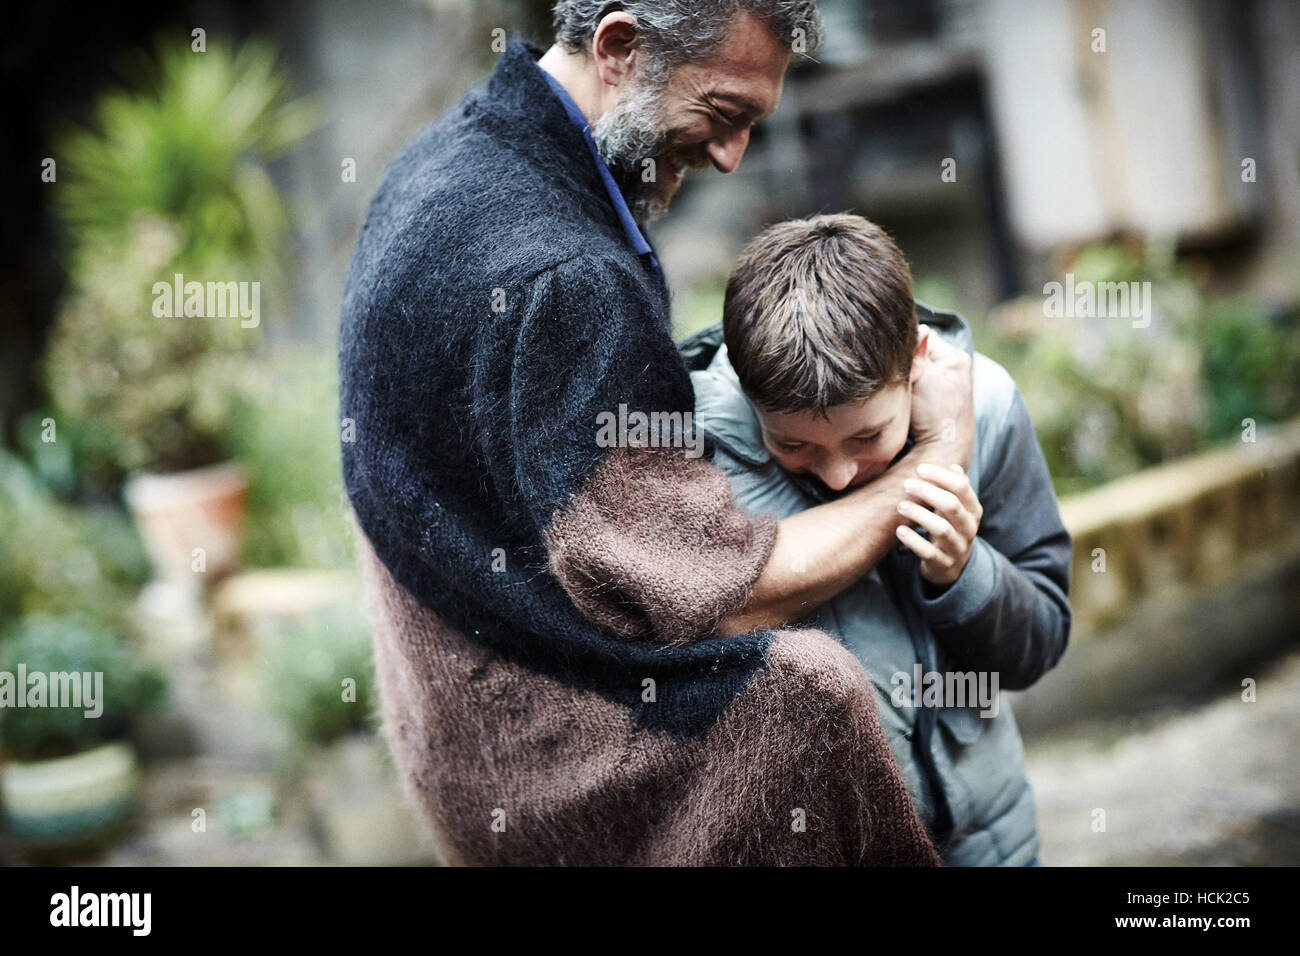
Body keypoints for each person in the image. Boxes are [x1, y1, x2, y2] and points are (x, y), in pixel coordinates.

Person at [339, 1, 974, 864]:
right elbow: (710, 597)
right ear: (620, 47)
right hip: (531, 755)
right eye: (721, 114)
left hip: (450, 728)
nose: (729, 155)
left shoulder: (449, 154)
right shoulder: (569, 279)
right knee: (808, 697)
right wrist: (931, 466)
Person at [685, 213, 1073, 864]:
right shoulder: (696, 451)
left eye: (866, 437)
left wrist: (964, 574)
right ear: (752, 398)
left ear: (917, 359)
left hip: (990, 840)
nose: (838, 473)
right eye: (793, 444)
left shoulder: (991, 404)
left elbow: (1039, 643)